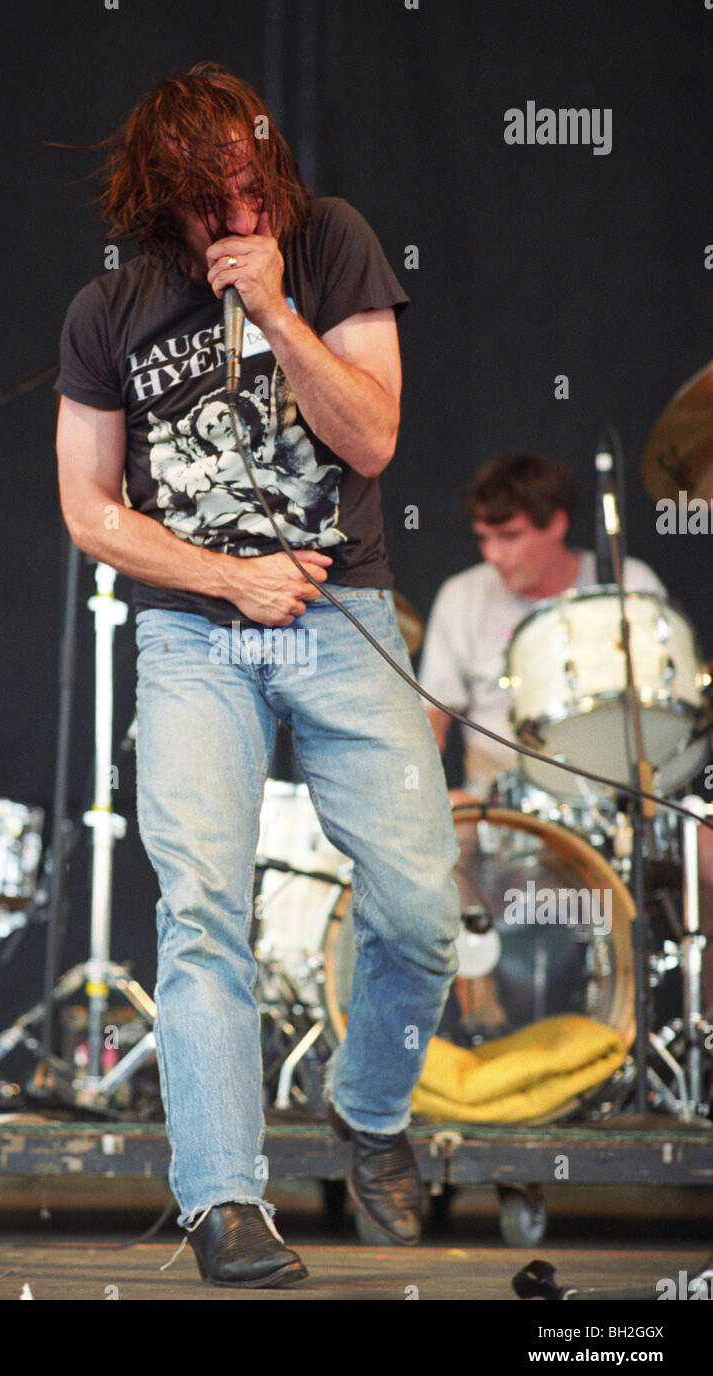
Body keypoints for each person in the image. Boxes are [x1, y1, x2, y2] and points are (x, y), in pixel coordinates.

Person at [54, 63, 461, 1288]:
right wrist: (225, 578)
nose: (237, 200)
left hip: (342, 615)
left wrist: (279, 312)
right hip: (191, 638)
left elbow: (375, 436)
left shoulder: (329, 243)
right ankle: (224, 1201)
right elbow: (87, 508)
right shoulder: (108, 309)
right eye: (210, 184)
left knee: (421, 911)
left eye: (250, 173)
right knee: (199, 916)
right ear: (162, 184)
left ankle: (372, 1111)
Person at [418, 453, 666, 801]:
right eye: (483, 538)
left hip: (621, 798)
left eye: (509, 536)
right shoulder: (461, 595)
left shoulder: (630, 582)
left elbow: (672, 701)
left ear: (556, 523)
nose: (493, 555)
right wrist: (424, 799)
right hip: (499, 806)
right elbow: (431, 719)